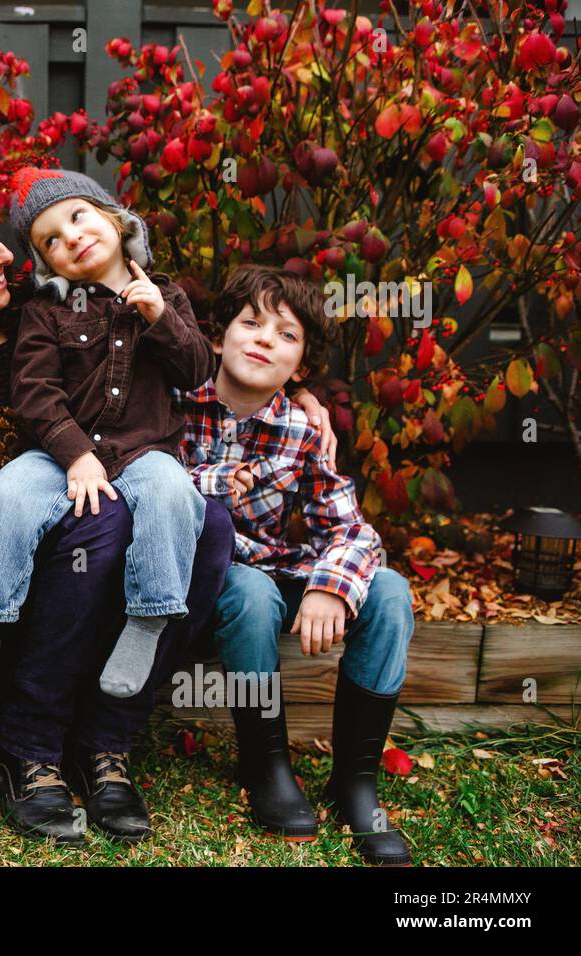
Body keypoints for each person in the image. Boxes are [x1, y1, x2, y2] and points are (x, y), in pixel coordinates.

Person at [0, 172, 237, 844]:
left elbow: (190, 364)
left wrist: (297, 405)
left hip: (68, 533)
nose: (7, 256)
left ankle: (105, 738)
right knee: (70, 531)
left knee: (205, 524)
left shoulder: (53, 301)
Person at [177, 264, 414, 866]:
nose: (262, 339)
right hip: (207, 587)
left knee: (387, 590)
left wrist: (330, 588)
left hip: (281, 573)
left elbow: (351, 527)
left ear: (302, 367)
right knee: (250, 591)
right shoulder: (174, 402)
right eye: (250, 323)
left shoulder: (300, 429)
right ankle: (266, 765)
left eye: (286, 335)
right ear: (216, 337)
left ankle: (355, 780)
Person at [0, 167, 212, 709]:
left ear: (115, 220)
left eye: (78, 216)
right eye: (50, 239)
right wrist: (76, 453)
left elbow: (195, 371)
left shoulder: (166, 297)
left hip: (145, 452)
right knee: (6, 498)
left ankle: (148, 621)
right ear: (46, 262)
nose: (71, 236)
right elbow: (35, 393)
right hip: (57, 453)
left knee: (174, 495)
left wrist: (160, 319)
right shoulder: (46, 311)